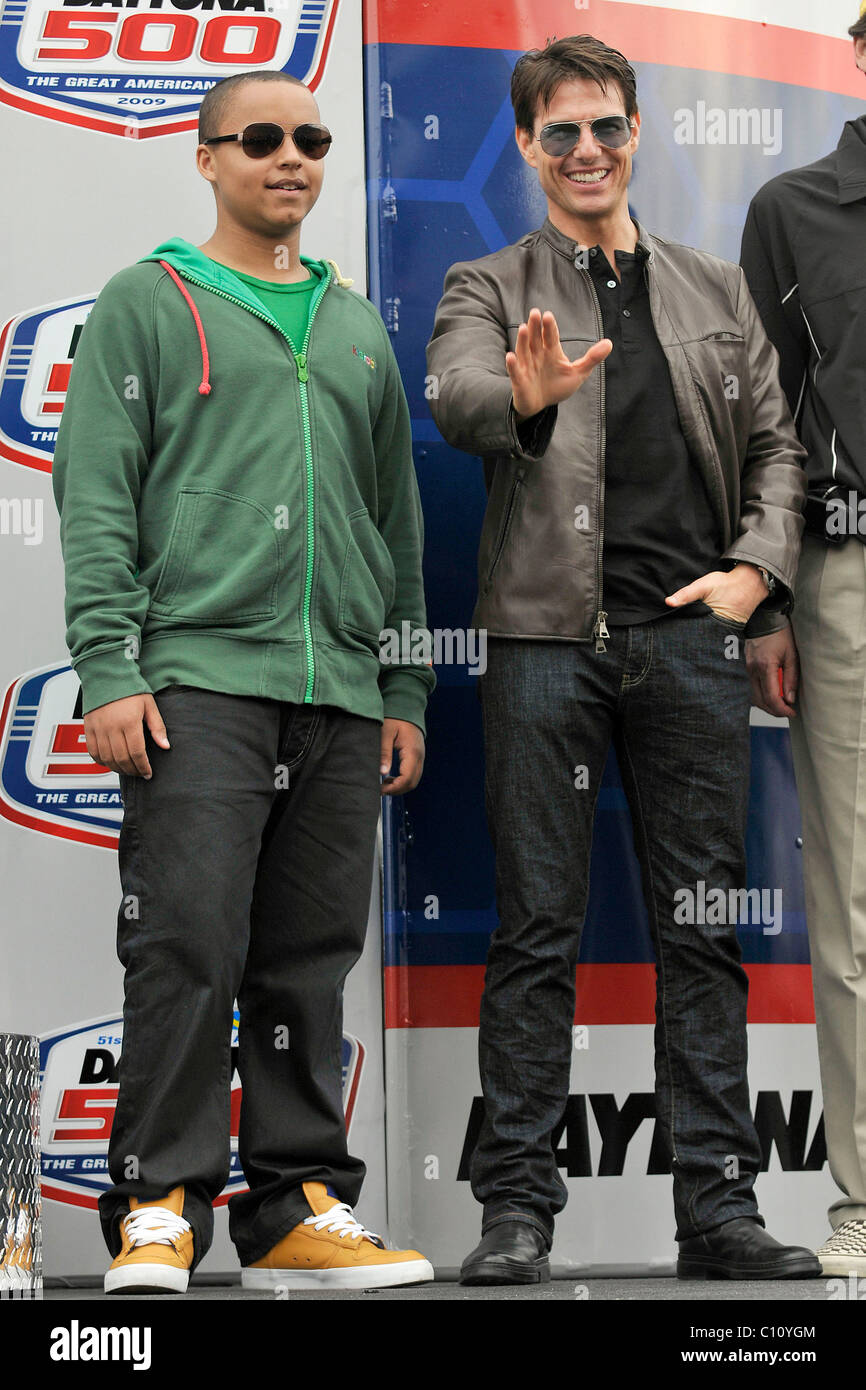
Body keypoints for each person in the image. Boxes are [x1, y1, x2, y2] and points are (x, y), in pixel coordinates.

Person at [427, 34, 819, 1285]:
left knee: (698, 935)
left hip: (691, 644)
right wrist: (526, 396)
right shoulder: (485, 283)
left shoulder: (713, 285)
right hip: (544, 645)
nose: (585, 150)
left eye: (604, 127)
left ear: (636, 132)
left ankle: (716, 1207)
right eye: (559, 133)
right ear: (531, 148)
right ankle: (514, 1217)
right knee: (534, 930)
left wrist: (754, 575)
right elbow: (459, 400)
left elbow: (775, 451)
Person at [52, 69, 435, 1294]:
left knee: (305, 960)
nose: (291, 156)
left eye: (310, 138)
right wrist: (109, 664)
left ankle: (295, 1206)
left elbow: (397, 524)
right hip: (198, 682)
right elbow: (97, 495)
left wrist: (403, 688)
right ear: (206, 157)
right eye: (259, 137)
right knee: (187, 944)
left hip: (336, 693)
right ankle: (158, 1203)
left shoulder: (358, 322)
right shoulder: (148, 301)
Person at [740, 8, 866, 1279]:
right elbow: (768, 428)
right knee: (855, 908)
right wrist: (769, 598)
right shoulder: (793, 208)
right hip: (849, 579)